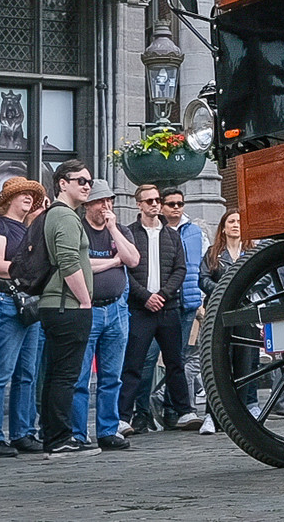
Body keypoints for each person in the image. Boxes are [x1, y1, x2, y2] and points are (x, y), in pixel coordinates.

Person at [0, 176, 47, 458]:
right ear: (8, 199)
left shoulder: (25, 229)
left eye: (32, 194)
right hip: (4, 300)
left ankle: (22, 433)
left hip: (28, 304)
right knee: (0, 373)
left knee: (26, 373)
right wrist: (32, 271)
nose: (28, 197)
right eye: (22, 194)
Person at [119, 184, 202, 434]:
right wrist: (145, 296)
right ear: (139, 204)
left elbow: (181, 269)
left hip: (168, 308)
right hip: (140, 308)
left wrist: (163, 295)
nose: (154, 204)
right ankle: (125, 416)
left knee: (175, 360)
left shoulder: (172, 235)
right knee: (134, 363)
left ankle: (184, 411)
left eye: (157, 200)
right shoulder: (130, 233)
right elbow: (125, 270)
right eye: (149, 201)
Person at [71, 179, 139, 451]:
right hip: (88, 310)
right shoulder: (78, 229)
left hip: (117, 310)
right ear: (87, 204)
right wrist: (112, 262)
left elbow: (133, 260)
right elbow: (79, 264)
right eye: (100, 201)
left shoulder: (119, 230)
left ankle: (108, 430)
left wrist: (112, 228)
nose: (106, 206)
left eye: (109, 201)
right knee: (81, 376)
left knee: (112, 375)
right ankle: (78, 432)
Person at [38, 159, 99, 457]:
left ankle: (53, 436)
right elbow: (68, 261)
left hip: (57, 306)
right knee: (65, 376)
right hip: (67, 306)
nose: (87, 186)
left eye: (89, 181)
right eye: (81, 181)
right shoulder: (64, 217)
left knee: (55, 374)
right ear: (63, 183)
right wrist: (85, 300)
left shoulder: (60, 215)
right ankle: (61, 438)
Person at [197, 208, 263, 434]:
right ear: (223, 227)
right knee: (218, 363)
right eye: (231, 221)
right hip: (219, 313)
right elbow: (203, 279)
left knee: (245, 363)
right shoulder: (213, 253)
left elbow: (262, 280)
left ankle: (240, 415)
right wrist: (224, 293)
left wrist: (239, 293)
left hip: (245, 312)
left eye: (239, 222)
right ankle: (212, 414)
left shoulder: (252, 253)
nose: (236, 225)